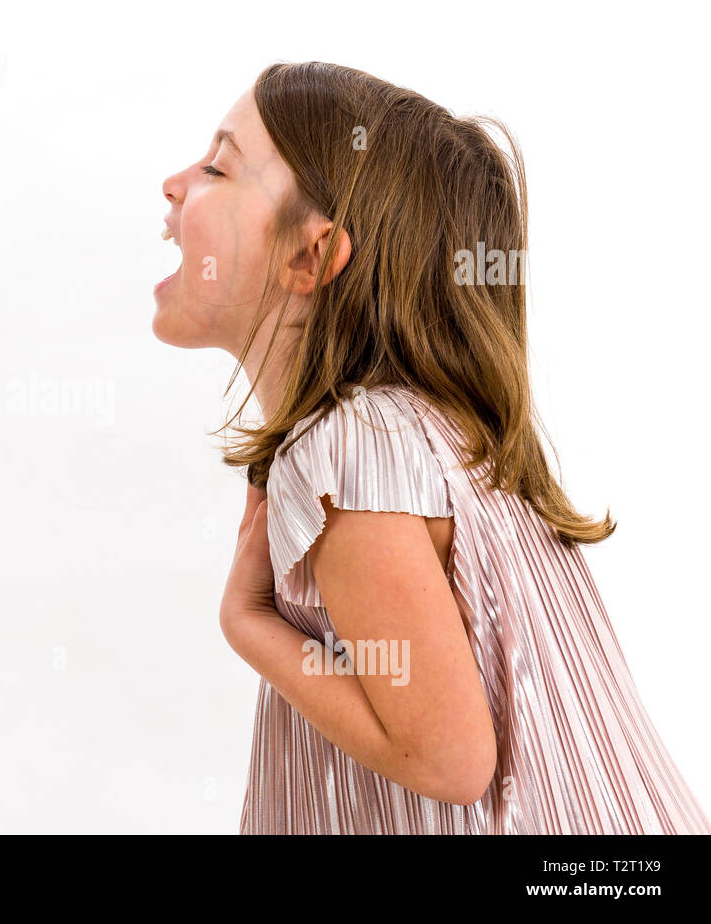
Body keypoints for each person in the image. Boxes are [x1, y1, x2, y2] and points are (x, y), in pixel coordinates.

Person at [154, 60, 709, 833]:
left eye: (217, 166)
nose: (173, 184)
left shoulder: (345, 455)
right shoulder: (433, 434)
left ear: (310, 257)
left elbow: (448, 758)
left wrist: (248, 623)